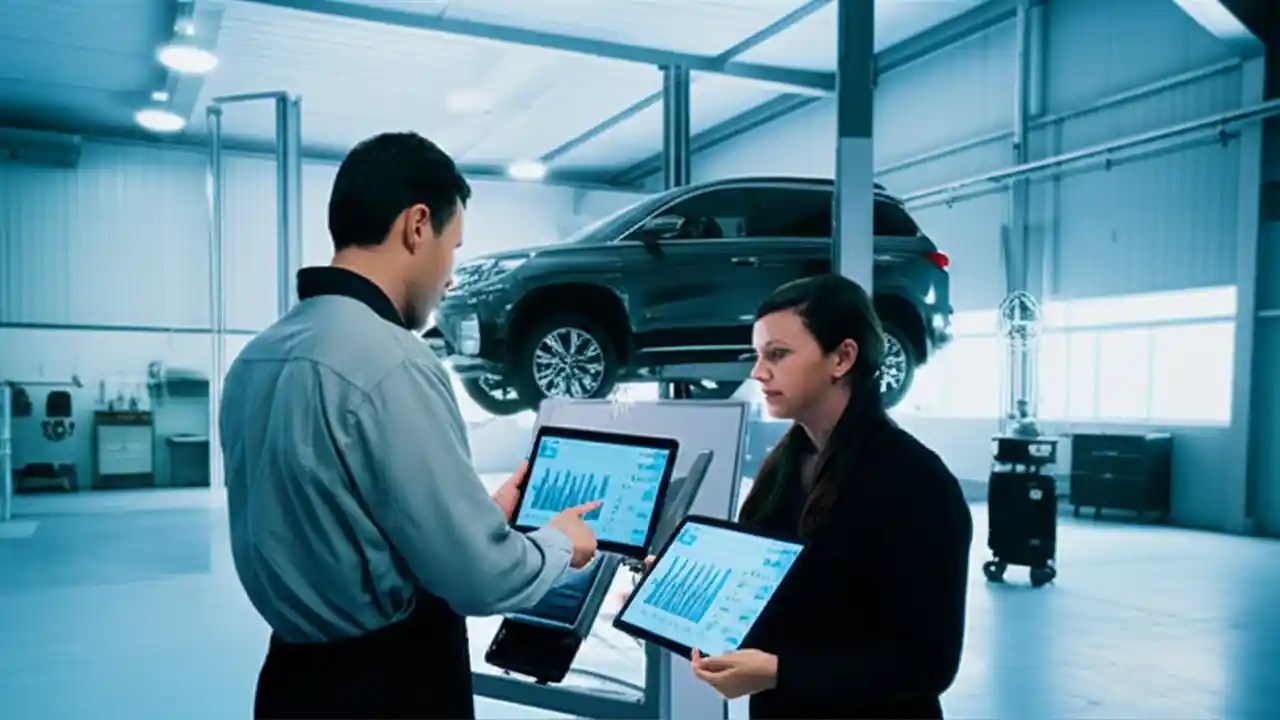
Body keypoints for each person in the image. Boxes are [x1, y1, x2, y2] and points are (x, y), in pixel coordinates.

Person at [219, 131, 600, 720]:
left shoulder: (257, 357)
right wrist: (557, 545)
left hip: (292, 682)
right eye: (453, 247)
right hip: (386, 686)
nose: (450, 278)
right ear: (417, 226)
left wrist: (481, 520)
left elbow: (338, 519)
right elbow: (479, 580)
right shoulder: (393, 358)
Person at [687, 274, 973, 719]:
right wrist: (688, 586)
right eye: (757, 356)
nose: (758, 372)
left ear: (842, 357)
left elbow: (926, 663)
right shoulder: (780, 470)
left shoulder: (917, 483)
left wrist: (782, 672)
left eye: (777, 355)